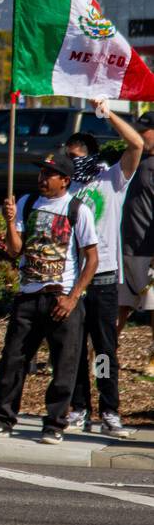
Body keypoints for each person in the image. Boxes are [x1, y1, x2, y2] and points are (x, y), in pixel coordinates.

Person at [0, 147, 99, 445]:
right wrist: (9, 221)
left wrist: (73, 298)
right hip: (28, 295)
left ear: (65, 180)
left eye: (49, 174)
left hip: (61, 297)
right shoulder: (27, 202)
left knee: (64, 363)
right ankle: (2, 418)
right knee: (13, 358)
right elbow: (15, 249)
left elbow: (91, 258)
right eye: (41, 172)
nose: (42, 178)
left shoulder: (77, 210)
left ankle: (55, 423)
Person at [64, 99, 140, 438]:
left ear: (90, 155)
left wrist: (106, 113)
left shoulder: (112, 179)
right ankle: (80, 408)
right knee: (75, 347)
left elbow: (136, 144)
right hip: (73, 278)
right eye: (68, 156)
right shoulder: (68, 187)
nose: (70, 162)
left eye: (75, 156)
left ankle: (110, 410)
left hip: (105, 276)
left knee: (104, 349)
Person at [119, 110, 154, 378]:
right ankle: (101, 360)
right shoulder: (135, 161)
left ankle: (153, 362)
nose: (140, 135)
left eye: (144, 131)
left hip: (149, 250)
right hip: (126, 248)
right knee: (118, 308)